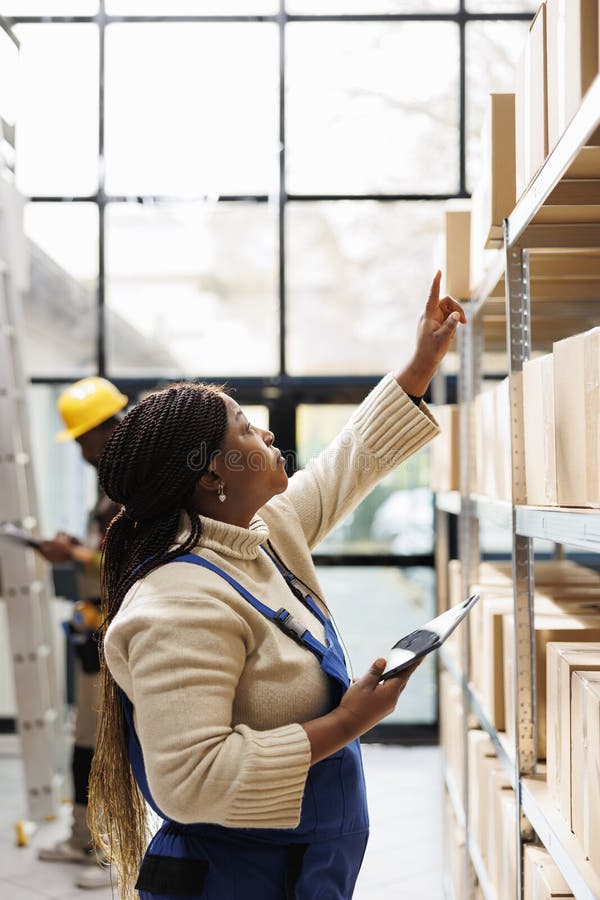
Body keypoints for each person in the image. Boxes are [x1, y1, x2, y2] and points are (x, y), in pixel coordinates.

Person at [89, 272, 466, 900]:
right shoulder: (176, 605)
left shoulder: (262, 534)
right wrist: (349, 721)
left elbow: (354, 456)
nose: (267, 434)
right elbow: (191, 780)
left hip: (296, 870)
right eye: (245, 428)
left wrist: (423, 359)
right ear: (214, 472)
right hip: (230, 879)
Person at [37, 376, 127, 891]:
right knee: (86, 740)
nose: (77, 448)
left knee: (107, 743)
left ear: (105, 428)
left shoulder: (131, 484)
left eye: (80, 437)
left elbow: (124, 558)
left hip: (115, 629)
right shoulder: (109, 484)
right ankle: (84, 836)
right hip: (95, 625)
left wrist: (72, 554)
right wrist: (77, 548)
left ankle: (112, 848)